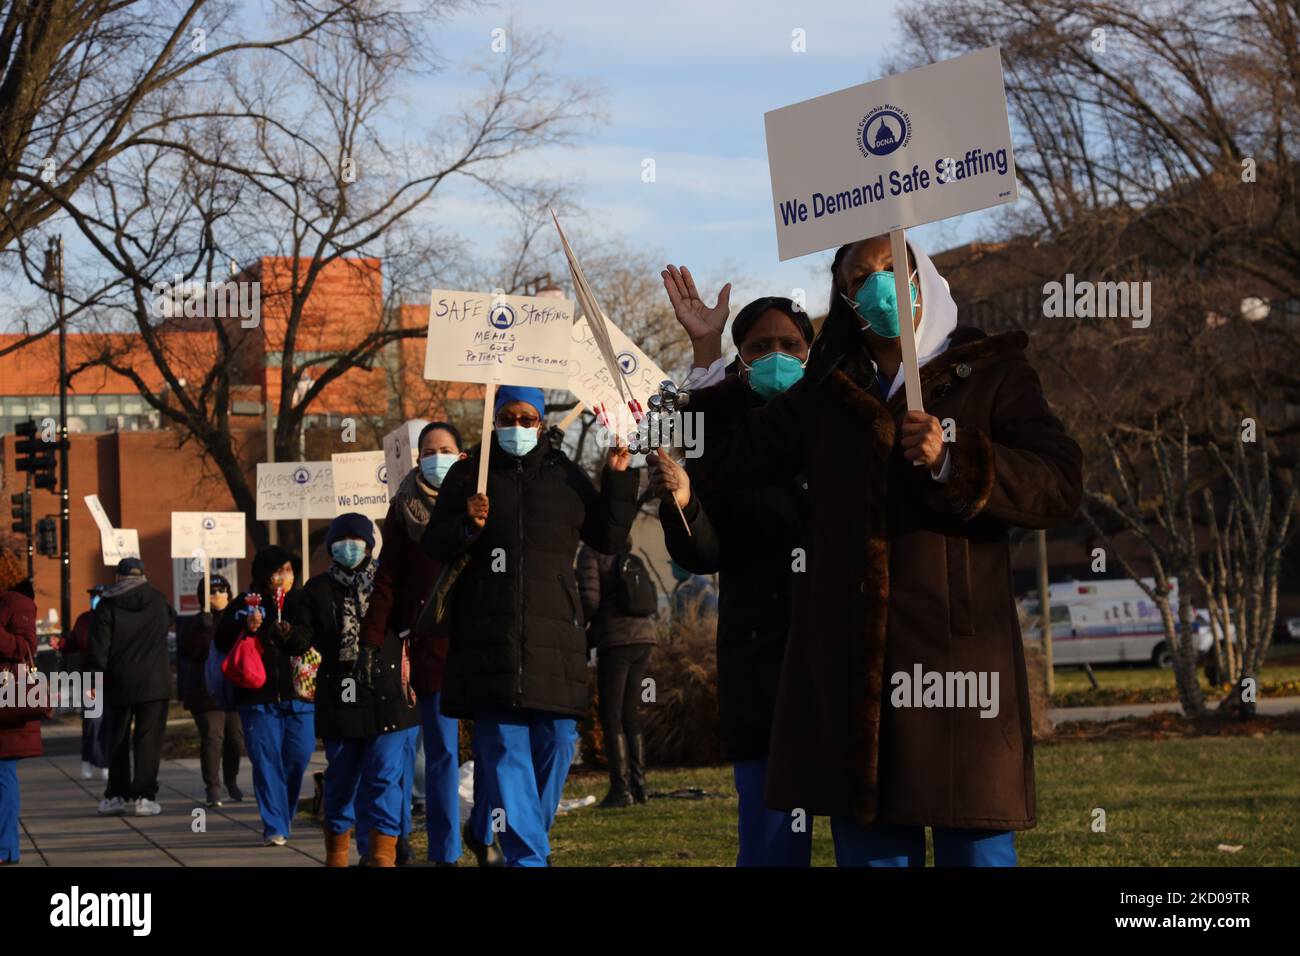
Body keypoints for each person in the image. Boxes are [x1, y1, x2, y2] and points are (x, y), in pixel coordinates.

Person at [687, 236, 1083, 867]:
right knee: (873, 857)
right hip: (855, 678)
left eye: (889, 269)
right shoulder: (826, 393)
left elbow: (1059, 482)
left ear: (923, 276)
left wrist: (957, 461)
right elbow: (728, 460)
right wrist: (711, 359)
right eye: (860, 278)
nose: (878, 285)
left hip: (958, 669)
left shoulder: (989, 371)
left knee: (975, 852)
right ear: (846, 299)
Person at [423, 384, 639, 866]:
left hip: (554, 642)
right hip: (489, 642)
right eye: (508, 418)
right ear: (493, 419)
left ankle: (489, 827)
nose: (517, 428)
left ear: (541, 423)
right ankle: (528, 858)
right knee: (503, 750)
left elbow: (607, 535)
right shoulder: (468, 474)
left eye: (527, 419)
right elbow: (435, 544)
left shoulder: (564, 474)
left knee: (559, 744)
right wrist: (466, 523)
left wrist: (619, 479)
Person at [647, 289, 815, 866]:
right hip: (759, 659)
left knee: (866, 839)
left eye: (790, 344)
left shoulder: (843, 418)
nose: (776, 355)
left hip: (842, 656)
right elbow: (705, 551)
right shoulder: (724, 434)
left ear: (812, 351)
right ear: (739, 357)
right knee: (770, 839)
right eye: (760, 346)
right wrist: (687, 503)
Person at [361, 420, 501, 866]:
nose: (437, 457)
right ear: (418, 459)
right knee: (441, 754)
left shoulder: (484, 499)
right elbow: (388, 576)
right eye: (428, 451)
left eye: (446, 449)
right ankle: (445, 852)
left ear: (462, 456)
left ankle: (483, 830)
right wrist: (374, 634)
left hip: (482, 641)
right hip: (430, 644)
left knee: (491, 749)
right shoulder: (403, 508)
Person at [287, 513, 416, 867]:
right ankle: (338, 856)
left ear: (370, 545)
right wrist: (284, 634)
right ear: (330, 548)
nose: (348, 546)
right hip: (342, 694)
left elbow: (413, 623)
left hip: (387, 693)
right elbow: (301, 640)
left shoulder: (390, 583)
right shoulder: (317, 589)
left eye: (355, 539)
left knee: (384, 777)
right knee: (342, 778)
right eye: (340, 541)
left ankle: (382, 858)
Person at [214, 546, 314, 846]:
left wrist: (291, 635)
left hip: (300, 697)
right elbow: (221, 639)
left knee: (299, 756)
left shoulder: (301, 601)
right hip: (257, 698)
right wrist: (246, 629)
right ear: (262, 575)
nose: (285, 577)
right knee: (266, 760)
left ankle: (285, 810)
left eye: (290, 570)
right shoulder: (245, 604)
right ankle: (275, 824)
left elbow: (311, 637)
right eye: (278, 571)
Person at [88, 557, 176, 817]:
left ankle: (116, 795)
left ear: (118, 577)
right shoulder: (158, 600)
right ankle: (144, 798)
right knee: (148, 741)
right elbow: (170, 620)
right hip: (154, 682)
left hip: (119, 683)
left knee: (116, 739)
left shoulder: (107, 605)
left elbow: (98, 648)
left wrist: (93, 680)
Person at [576, 544, 658, 809]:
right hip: (644, 637)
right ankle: (640, 786)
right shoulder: (627, 552)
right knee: (630, 713)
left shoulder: (592, 552)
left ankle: (621, 789)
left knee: (611, 714)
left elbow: (590, 599)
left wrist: (579, 625)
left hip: (616, 640)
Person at [177, 575, 244, 807]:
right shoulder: (194, 623)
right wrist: (203, 630)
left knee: (235, 738)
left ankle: (231, 779)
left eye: (221, 590)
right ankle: (212, 787)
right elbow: (187, 650)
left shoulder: (237, 619)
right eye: (211, 592)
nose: (217, 595)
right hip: (206, 690)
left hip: (233, 687)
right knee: (213, 737)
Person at [0, 552, 41, 865]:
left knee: (4, 771)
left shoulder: (17, 602)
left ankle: (6, 848)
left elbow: (25, 647)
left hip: (7, 698)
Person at [56, 584, 109, 781]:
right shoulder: (84, 620)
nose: (94, 600)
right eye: (93, 596)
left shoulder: (112, 618)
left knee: (106, 723)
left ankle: (104, 762)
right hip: (89, 678)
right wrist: (61, 644)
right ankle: (89, 759)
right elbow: (73, 643)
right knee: (91, 722)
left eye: (98, 596)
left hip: (108, 678)